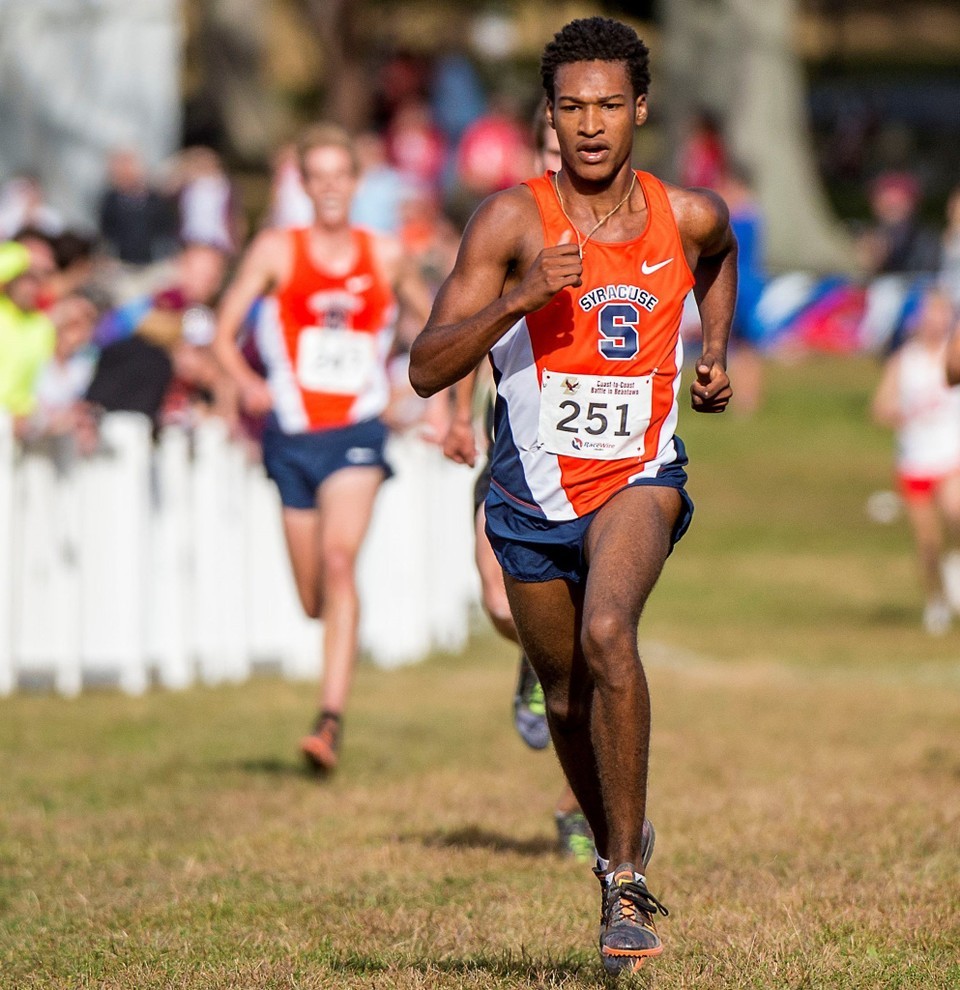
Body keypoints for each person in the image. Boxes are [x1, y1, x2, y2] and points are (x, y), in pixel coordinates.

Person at [409, 17, 735, 974]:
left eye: (607, 105)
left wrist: (713, 350)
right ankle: (614, 853)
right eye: (570, 106)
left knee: (606, 636)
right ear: (548, 116)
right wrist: (518, 301)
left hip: (638, 476)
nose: (590, 125)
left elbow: (716, 263)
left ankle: (625, 880)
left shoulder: (687, 214)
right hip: (527, 494)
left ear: (640, 108)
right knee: (561, 694)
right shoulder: (511, 221)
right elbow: (427, 366)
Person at [213, 123, 432, 773]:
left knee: (340, 564)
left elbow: (437, 323)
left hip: (358, 433)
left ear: (356, 183)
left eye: (344, 174)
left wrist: (409, 386)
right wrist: (248, 382)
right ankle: (335, 639)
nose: (333, 186)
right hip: (291, 438)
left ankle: (329, 719)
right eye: (320, 176)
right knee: (313, 597)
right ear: (303, 184)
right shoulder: (277, 250)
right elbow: (224, 334)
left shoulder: (385, 254)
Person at [874, 287, 960, 634]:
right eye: (929, 313)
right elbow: (880, 407)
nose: (935, 321)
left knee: (956, 511)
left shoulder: (952, 356)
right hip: (915, 460)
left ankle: (955, 565)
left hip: (951, 456)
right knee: (927, 542)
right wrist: (898, 413)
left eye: (942, 313)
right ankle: (936, 601)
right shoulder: (904, 360)